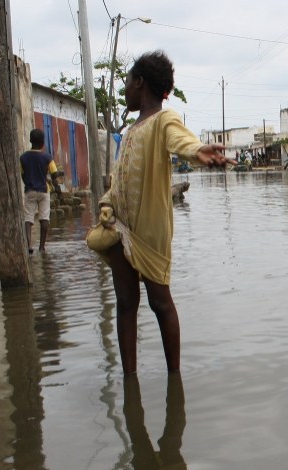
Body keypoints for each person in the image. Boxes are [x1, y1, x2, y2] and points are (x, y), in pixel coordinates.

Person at [99, 50, 232, 375]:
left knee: (160, 302)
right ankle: (130, 379)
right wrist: (107, 202)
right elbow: (120, 178)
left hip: (149, 232)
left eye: (128, 82)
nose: (125, 88)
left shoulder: (163, 120)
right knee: (126, 304)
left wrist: (198, 149)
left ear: (140, 82)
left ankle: (175, 378)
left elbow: (181, 139)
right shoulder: (130, 131)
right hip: (121, 230)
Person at [20, 128, 60, 253]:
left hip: (29, 190)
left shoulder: (23, 157)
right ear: (43, 143)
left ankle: (28, 245)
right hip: (43, 191)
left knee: (28, 218)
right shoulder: (47, 157)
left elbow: (22, 174)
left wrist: (28, 182)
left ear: (30, 141)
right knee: (44, 218)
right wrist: (56, 186)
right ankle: (42, 247)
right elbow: (54, 174)